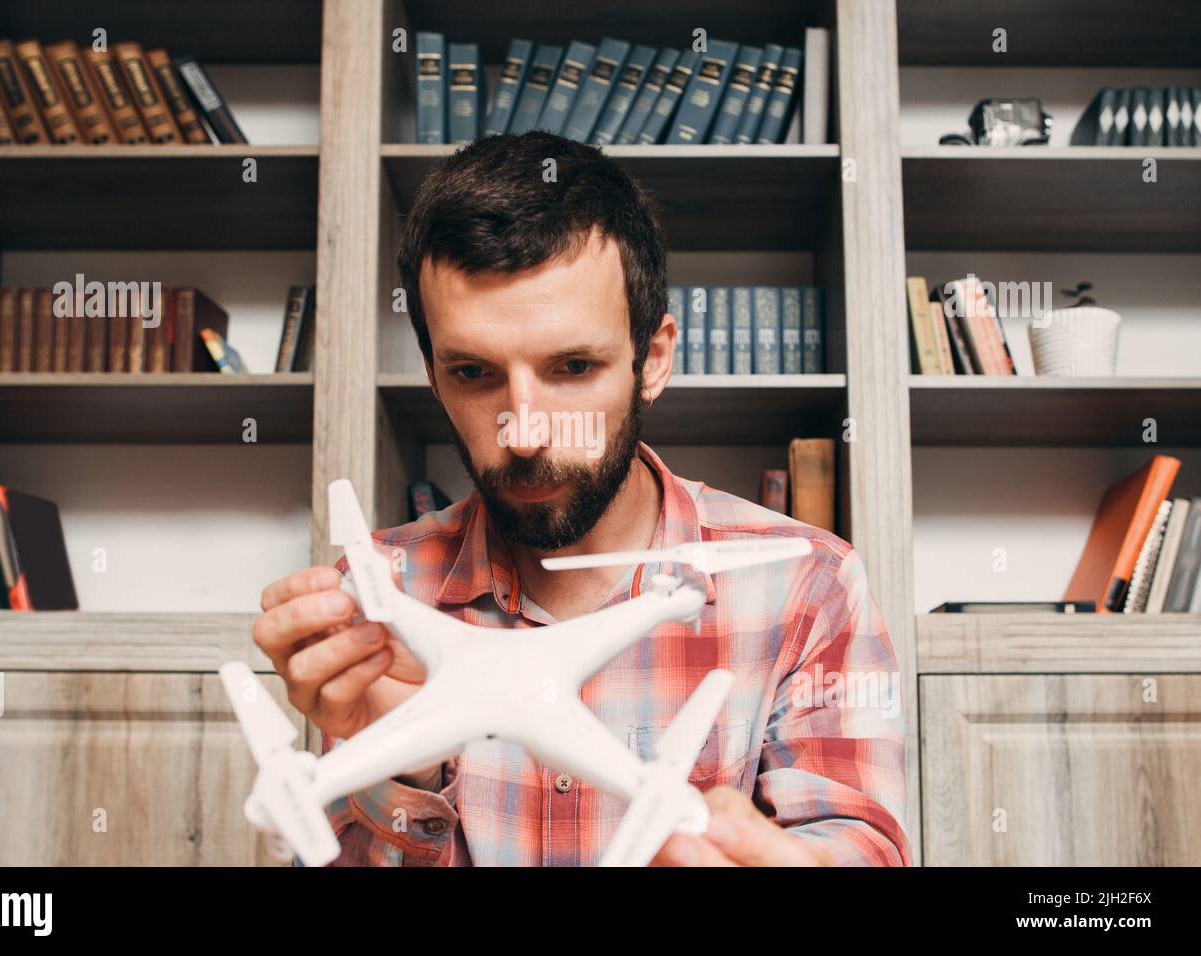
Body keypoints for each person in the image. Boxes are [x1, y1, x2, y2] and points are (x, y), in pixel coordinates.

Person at [253, 131, 910, 866]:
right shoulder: (376, 597)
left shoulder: (807, 585)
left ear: (651, 360)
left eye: (572, 366)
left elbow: (858, 845)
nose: (526, 431)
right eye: (474, 372)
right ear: (434, 376)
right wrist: (404, 764)